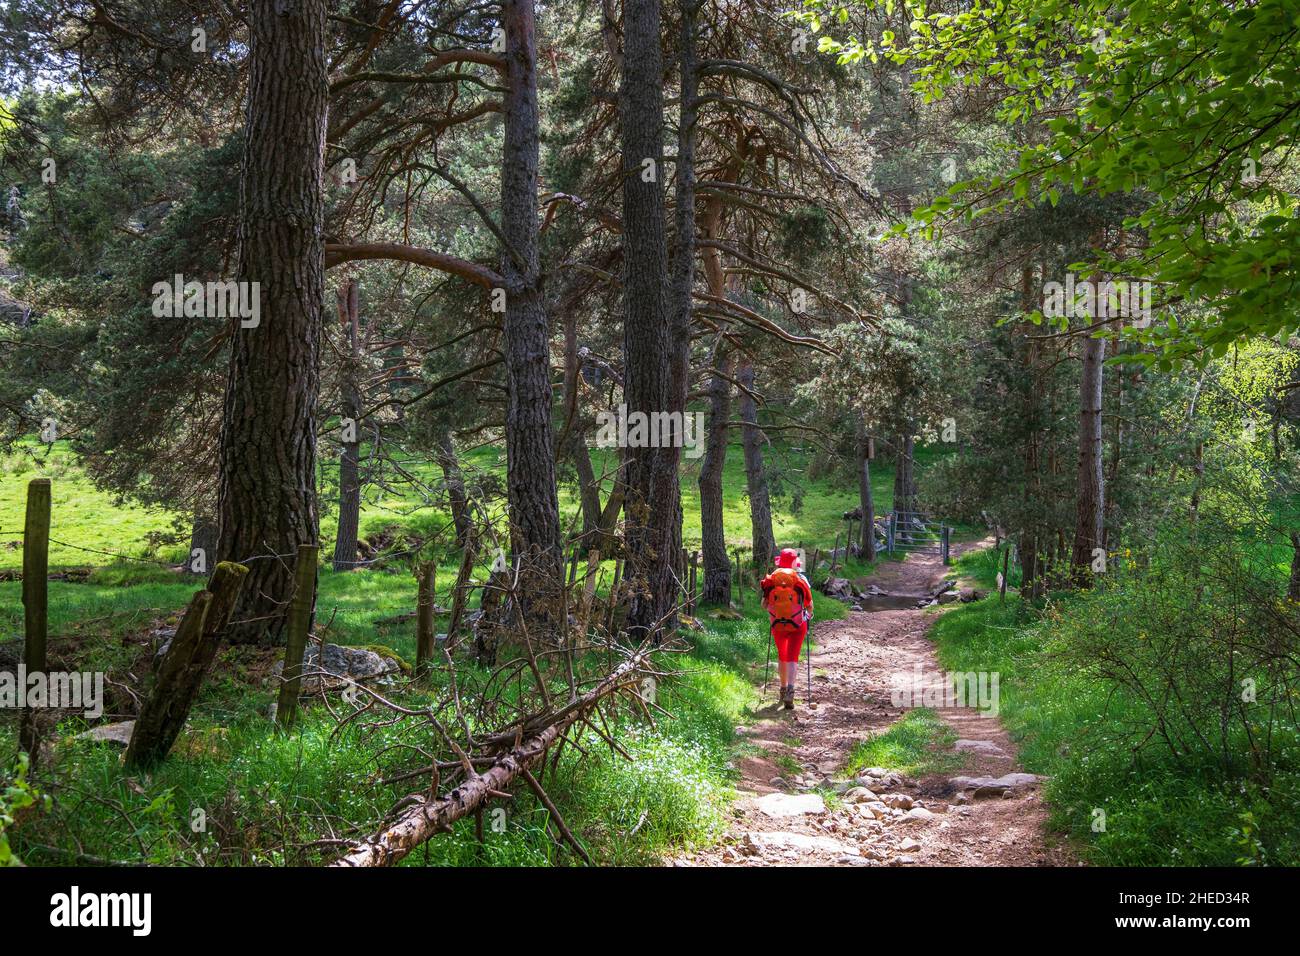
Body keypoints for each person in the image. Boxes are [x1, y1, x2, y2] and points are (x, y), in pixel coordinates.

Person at [760, 548, 814, 710]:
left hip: (777, 624)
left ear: (780, 562)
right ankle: (791, 690)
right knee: (793, 656)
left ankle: (782, 689)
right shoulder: (800, 580)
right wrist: (809, 615)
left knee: (782, 656)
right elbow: (809, 605)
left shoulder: (771, 581)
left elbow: (763, 605)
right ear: (794, 563)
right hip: (798, 624)